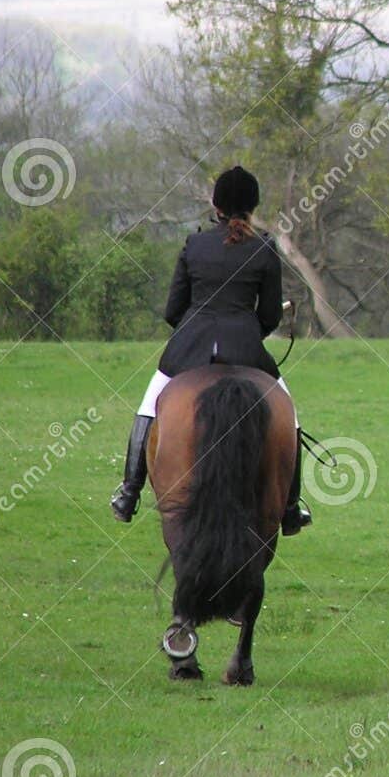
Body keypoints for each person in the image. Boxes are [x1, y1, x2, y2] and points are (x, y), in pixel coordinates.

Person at [110, 165, 311, 533]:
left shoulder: (195, 244)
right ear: (252, 207)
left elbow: (173, 311)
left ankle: (129, 491)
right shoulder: (264, 247)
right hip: (245, 348)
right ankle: (292, 508)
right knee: (290, 414)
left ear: (217, 206)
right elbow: (268, 315)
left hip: (190, 346)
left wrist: (193, 330)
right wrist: (248, 330)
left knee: (148, 405)